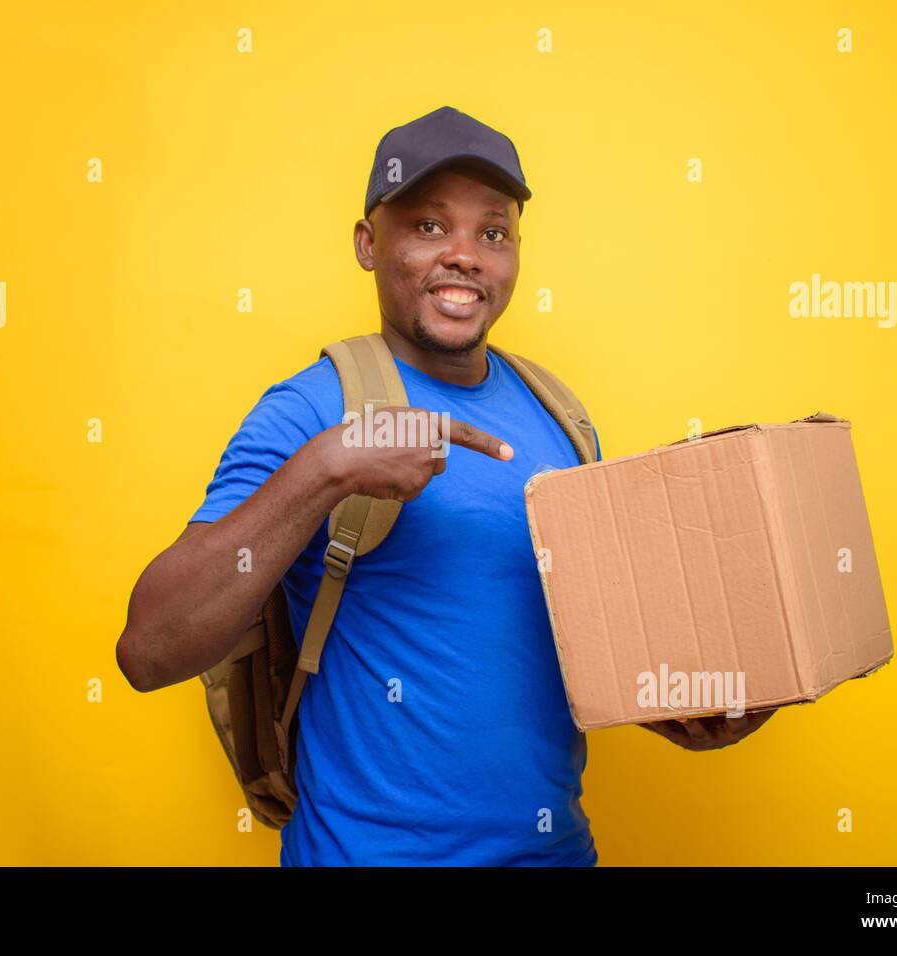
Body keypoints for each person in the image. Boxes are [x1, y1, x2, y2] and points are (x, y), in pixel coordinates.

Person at [115, 106, 774, 866]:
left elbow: (569, 642)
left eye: (491, 233)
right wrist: (330, 466)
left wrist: (675, 703)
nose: (463, 255)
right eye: (429, 226)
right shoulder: (311, 410)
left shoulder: (559, 414)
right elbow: (148, 650)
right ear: (369, 245)